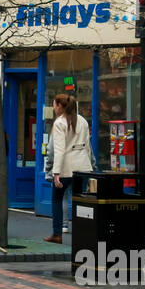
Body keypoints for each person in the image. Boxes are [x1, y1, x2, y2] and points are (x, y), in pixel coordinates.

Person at [48, 93, 94, 244]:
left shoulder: (60, 123)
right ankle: (83, 234)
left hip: (66, 169)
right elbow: (88, 146)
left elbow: (59, 150)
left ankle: (57, 234)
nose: (53, 108)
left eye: (54, 104)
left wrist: (56, 173)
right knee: (80, 201)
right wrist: (91, 165)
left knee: (56, 199)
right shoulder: (83, 121)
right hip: (83, 167)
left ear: (60, 106)